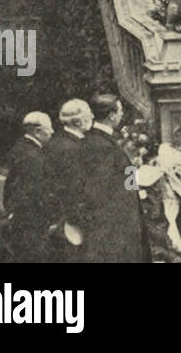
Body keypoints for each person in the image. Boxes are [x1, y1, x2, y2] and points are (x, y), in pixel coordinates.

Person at [77, 94, 150, 262]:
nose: (122, 115)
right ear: (111, 115)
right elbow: (101, 189)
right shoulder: (100, 145)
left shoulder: (101, 140)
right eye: (120, 111)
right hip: (115, 227)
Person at [41, 99, 90, 262]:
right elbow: (74, 187)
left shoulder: (55, 142)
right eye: (88, 114)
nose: (92, 117)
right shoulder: (74, 148)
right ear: (78, 121)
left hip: (54, 215)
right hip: (70, 220)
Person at [3, 111, 53, 262]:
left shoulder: (19, 148)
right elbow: (36, 191)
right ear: (37, 132)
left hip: (18, 215)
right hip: (32, 220)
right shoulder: (34, 157)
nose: (52, 132)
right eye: (49, 128)